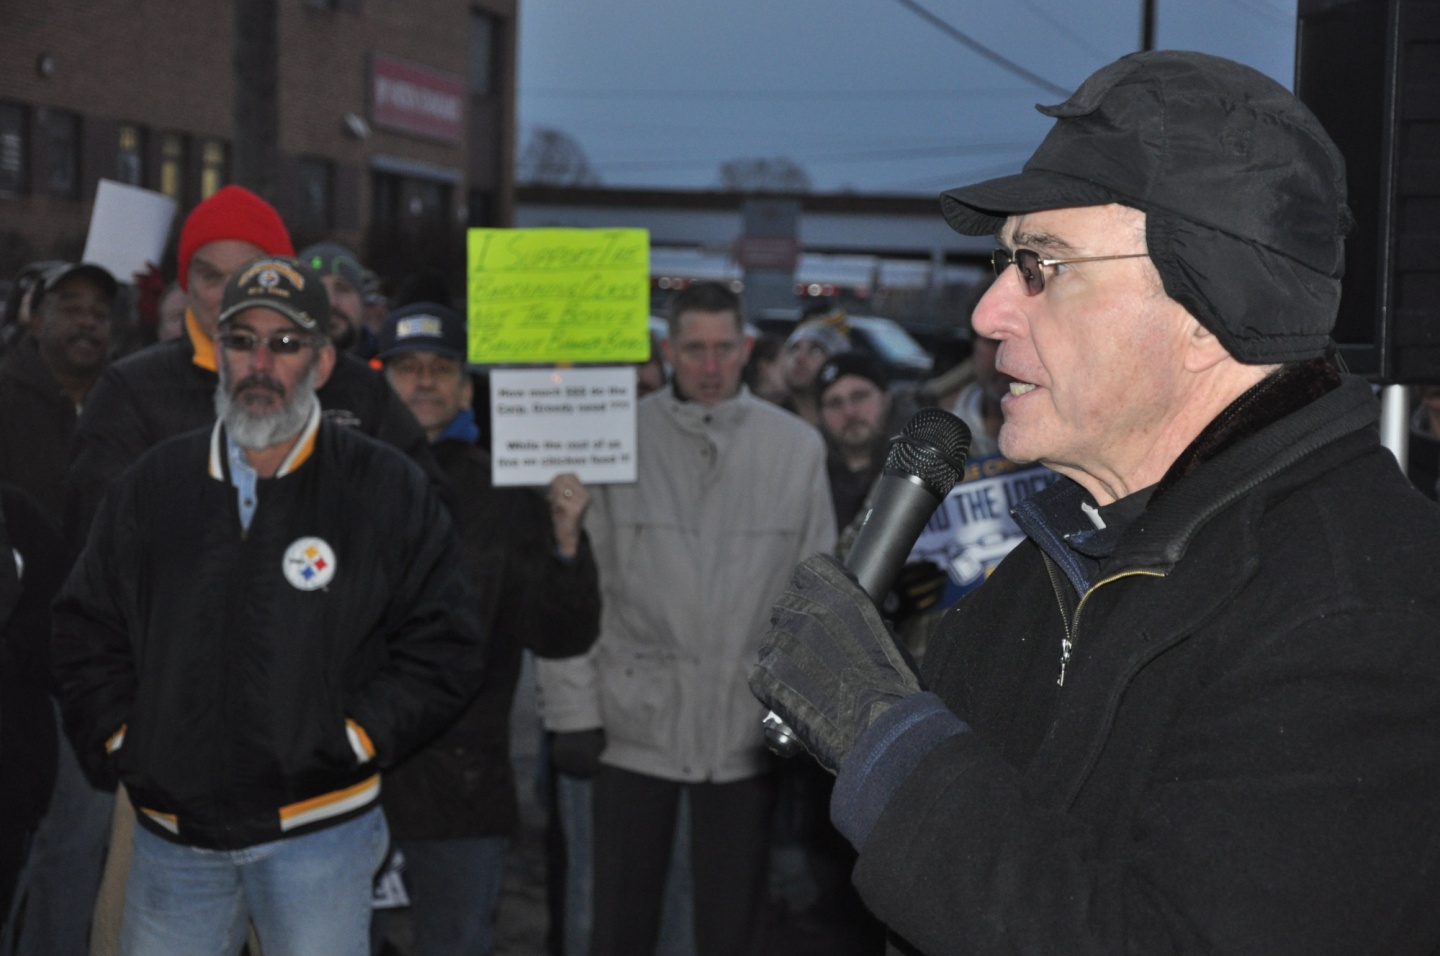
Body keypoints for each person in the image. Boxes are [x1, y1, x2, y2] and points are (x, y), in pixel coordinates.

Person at [750, 50, 1440, 955]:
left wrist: (889, 740)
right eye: (1004, 263)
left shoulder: (1362, 606)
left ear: (1208, 311)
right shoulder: (1046, 565)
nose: (989, 312)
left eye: (1042, 266)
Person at [50, 255, 484, 956]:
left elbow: (447, 641)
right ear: (217, 352)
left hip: (319, 834)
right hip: (174, 843)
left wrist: (353, 739)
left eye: (284, 343)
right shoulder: (156, 483)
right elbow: (84, 625)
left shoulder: (382, 487)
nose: (260, 363)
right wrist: (128, 739)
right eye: (242, 340)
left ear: (322, 361)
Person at [539, 281, 835, 956]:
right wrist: (572, 712)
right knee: (619, 928)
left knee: (728, 931)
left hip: (741, 735)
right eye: (694, 349)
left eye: (723, 348)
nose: (710, 366)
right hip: (631, 725)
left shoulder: (795, 449)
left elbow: (815, 602)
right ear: (667, 350)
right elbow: (578, 593)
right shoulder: (615, 439)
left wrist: (800, 719)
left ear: (747, 348)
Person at [375, 301, 602, 956]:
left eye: (440, 368)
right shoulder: (338, 479)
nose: (424, 381)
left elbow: (559, 636)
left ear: (466, 389)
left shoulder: (507, 498)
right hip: (351, 785)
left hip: (464, 792)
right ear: (380, 380)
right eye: (407, 367)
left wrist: (567, 544)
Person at [0, 262, 117, 521]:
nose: (88, 322)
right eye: (72, 310)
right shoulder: (6, 399)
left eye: (100, 313)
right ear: (38, 323)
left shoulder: (126, 399)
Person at [298, 241, 375, 356]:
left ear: (362, 301)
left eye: (342, 289)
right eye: (316, 290)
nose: (331, 302)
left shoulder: (391, 361)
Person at [778, 309, 850, 425]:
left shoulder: (848, 421)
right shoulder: (771, 418)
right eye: (794, 349)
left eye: (815, 351)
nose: (799, 358)